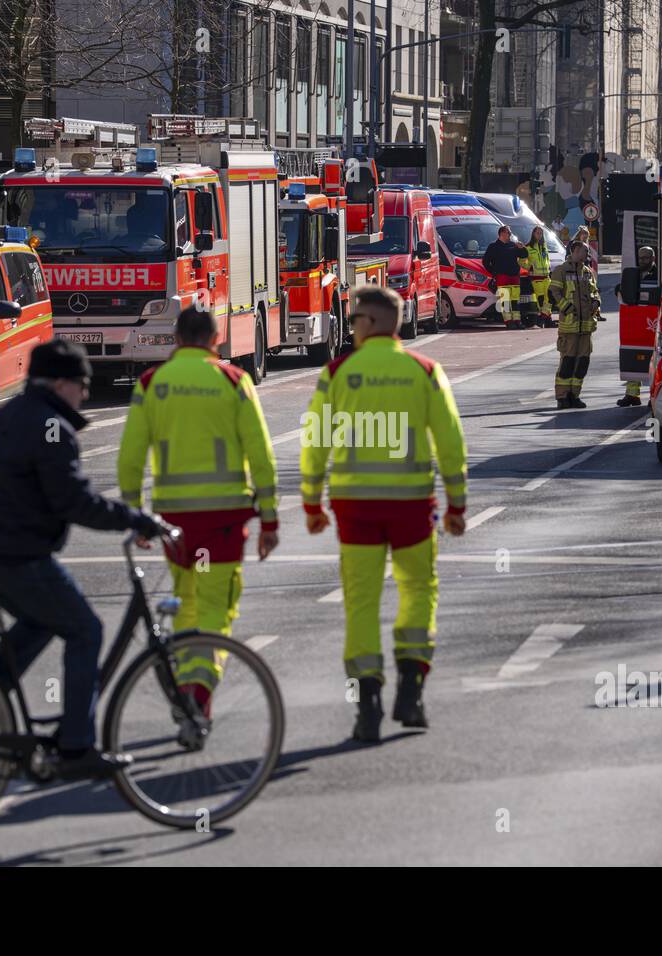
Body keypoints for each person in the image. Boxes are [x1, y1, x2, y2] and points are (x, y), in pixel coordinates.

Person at [0, 339, 162, 780]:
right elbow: (75, 502)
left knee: (42, 621)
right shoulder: (50, 426)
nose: (85, 394)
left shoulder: (16, 413)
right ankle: (76, 745)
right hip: (13, 552)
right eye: (82, 385)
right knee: (86, 629)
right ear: (62, 383)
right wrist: (136, 519)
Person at [300, 285, 468, 743]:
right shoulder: (425, 370)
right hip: (412, 506)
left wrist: (311, 501)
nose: (351, 327)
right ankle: (411, 692)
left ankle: (367, 707)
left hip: (355, 509)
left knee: (360, 604)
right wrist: (457, 502)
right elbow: (450, 442)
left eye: (355, 320)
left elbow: (315, 441)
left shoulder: (338, 373)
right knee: (418, 592)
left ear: (371, 323)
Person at [117, 306, 279, 715]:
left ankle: (187, 685)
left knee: (186, 600)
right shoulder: (233, 381)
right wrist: (270, 517)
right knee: (216, 608)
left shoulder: (153, 383)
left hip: (175, 520)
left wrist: (135, 513)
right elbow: (260, 454)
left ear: (176, 338)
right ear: (215, 337)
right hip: (223, 519)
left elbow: (131, 457)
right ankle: (198, 693)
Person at [548, 239, 601, 409]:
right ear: (575, 250)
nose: (587, 254)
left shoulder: (587, 272)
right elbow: (553, 292)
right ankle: (562, 397)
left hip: (586, 326)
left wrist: (596, 302)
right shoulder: (561, 271)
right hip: (569, 326)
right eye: (585, 251)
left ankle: (575, 396)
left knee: (582, 363)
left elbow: (595, 291)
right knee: (568, 362)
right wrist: (567, 307)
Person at [614, 245, 656, 408]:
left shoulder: (658, 273)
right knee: (634, 356)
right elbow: (622, 288)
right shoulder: (634, 273)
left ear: (653, 258)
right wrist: (620, 289)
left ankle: (654, 398)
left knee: (655, 361)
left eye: (646, 257)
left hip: (652, 321)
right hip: (637, 321)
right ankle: (632, 395)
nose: (642, 260)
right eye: (641, 257)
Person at [482, 225, 527, 330]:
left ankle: (517, 321)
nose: (510, 235)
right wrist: (494, 272)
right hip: (502, 277)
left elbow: (524, 255)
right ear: (502, 233)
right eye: (508, 233)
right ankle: (508, 321)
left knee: (515, 300)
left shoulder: (513, 245)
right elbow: (485, 262)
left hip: (514, 276)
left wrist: (522, 248)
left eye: (510, 233)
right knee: (505, 300)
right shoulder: (493, 247)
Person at [525, 226, 553, 327]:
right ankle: (547, 320)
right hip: (536, 278)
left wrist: (549, 268)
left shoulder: (544, 246)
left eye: (541, 233)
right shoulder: (528, 247)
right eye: (537, 233)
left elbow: (547, 260)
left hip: (546, 277)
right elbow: (521, 261)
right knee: (541, 300)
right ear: (533, 234)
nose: (539, 235)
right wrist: (529, 267)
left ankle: (543, 317)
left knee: (549, 298)